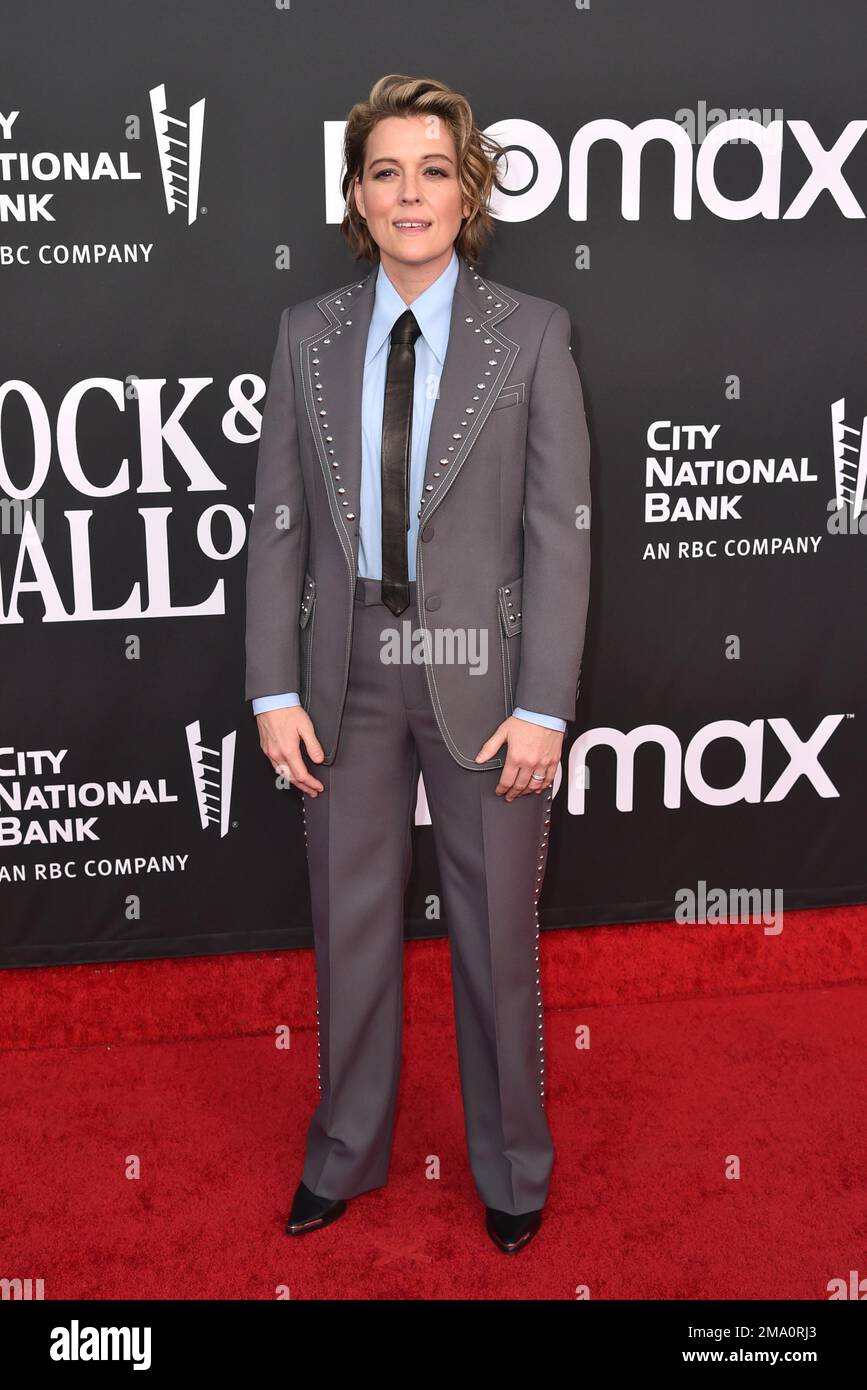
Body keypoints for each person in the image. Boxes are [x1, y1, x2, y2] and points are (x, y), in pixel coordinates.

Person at [244, 73, 591, 1254]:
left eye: (433, 170)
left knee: (496, 935)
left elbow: (558, 534)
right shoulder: (307, 335)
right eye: (386, 170)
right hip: (344, 674)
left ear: (468, 190)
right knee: (349, 929)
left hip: (486, 684)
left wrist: (546, 704)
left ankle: (511, 1169)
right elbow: (278, 522)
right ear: (355, 193)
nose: (410, 192)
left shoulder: (534, 334)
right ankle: (343, 1152)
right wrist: (273, 685)